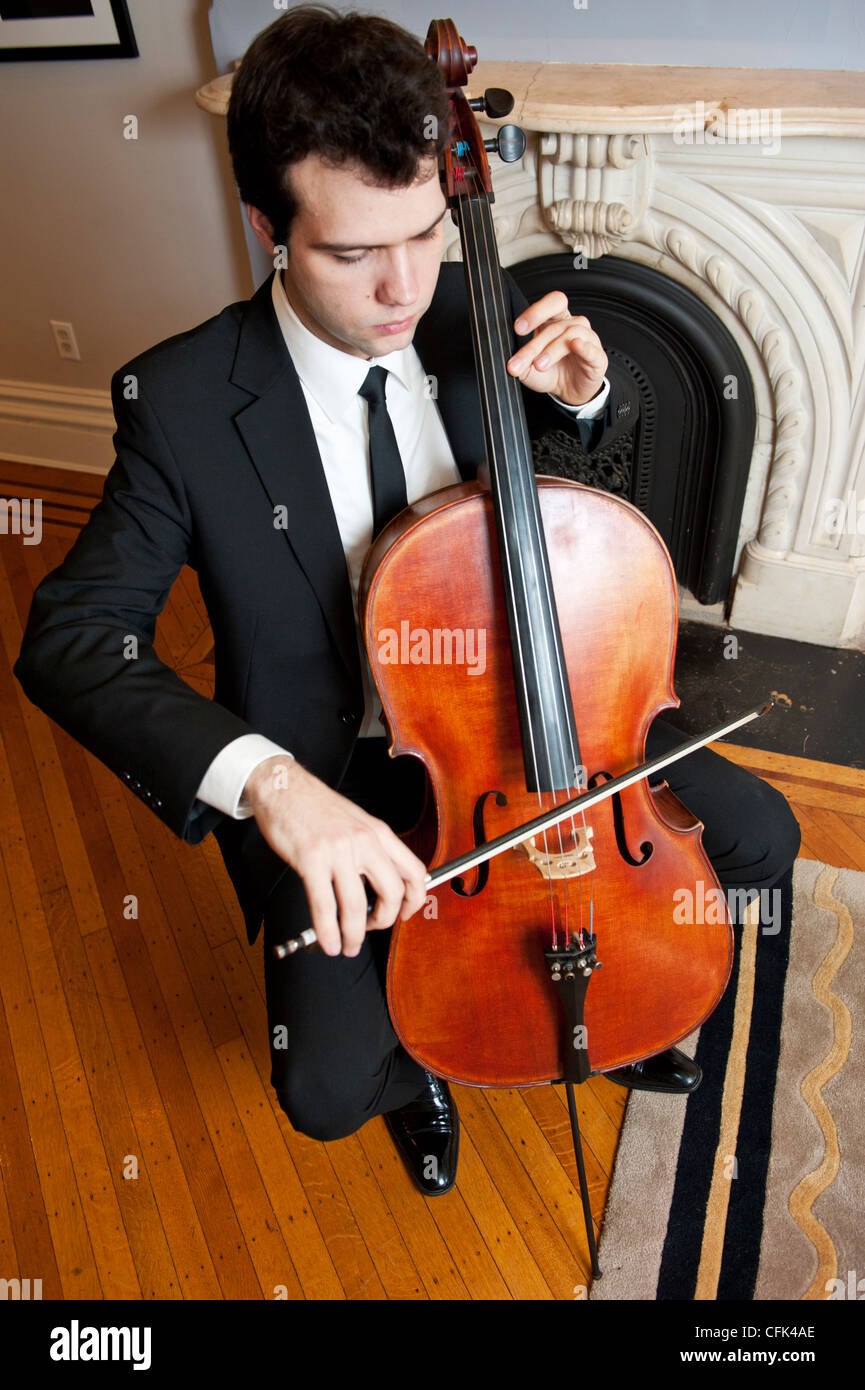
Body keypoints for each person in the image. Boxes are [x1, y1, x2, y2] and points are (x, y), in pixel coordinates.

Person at [14, 6, 799, 1197]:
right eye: (348, 253)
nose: (400, 289)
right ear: (265, 227)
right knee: (323, 1088)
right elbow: (69, 641)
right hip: (340, 765)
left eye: (427, 233)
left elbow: (571, 546)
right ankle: (415, 1076)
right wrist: (272, 787)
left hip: (554, 723)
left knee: (763, 835)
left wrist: (582, 409)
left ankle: (603, 1013)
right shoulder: (179, 403)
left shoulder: (469, 308)